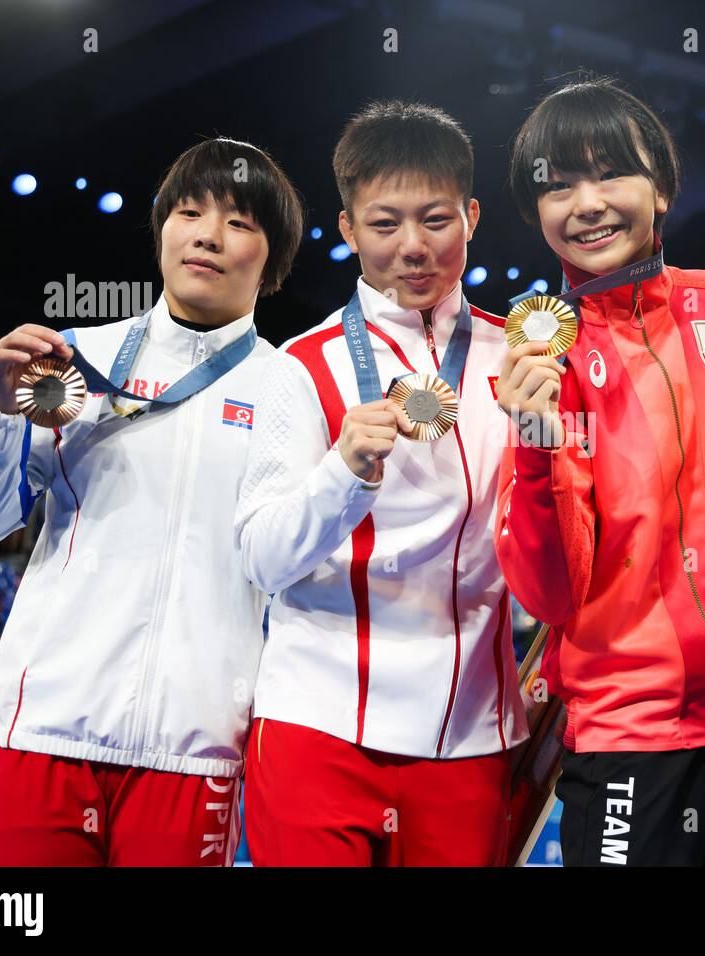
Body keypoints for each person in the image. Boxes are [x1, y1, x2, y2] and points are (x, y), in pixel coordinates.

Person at [0, 136, 304, 866]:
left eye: (240, 222)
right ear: (161, 229)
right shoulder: (72, 360)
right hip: (44, 734)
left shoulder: (292, 390)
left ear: (273, 258)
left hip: (194, 748)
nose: (208, 234)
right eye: (189, 211)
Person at [494, 77, 705, 866]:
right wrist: (537, 449)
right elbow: (547, 593)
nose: (587, 202)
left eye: (611, 174)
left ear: (664, 189)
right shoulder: (540, 358)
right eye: (560, 185)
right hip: (631, 735)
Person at [236, 101, 526, 866]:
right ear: (347, 230)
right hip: (316, 729)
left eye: (435, 220)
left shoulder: (522, 361)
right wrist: (343, 472)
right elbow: (262, 559)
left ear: (471, 216)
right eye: (384, 223)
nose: (412, 247)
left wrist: (552, 436)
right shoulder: (300, 366)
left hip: (470, 735)